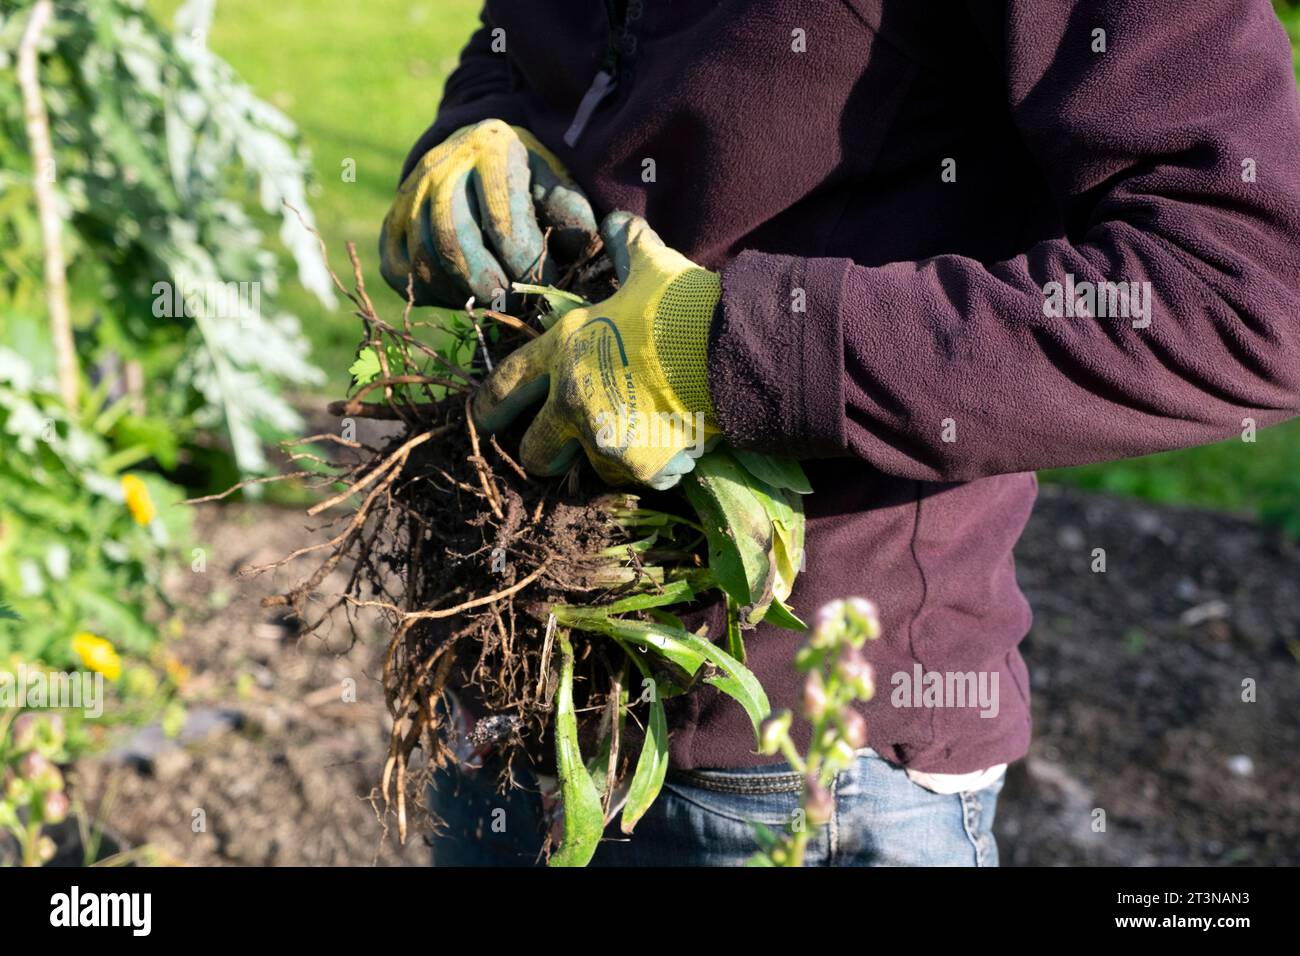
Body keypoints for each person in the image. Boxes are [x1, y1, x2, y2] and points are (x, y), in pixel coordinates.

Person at [379, 0, 1300, 866]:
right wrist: (477, 119)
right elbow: (543, 37)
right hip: (495, 660)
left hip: (786, 766)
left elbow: (1250, 292)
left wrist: (728, 350)